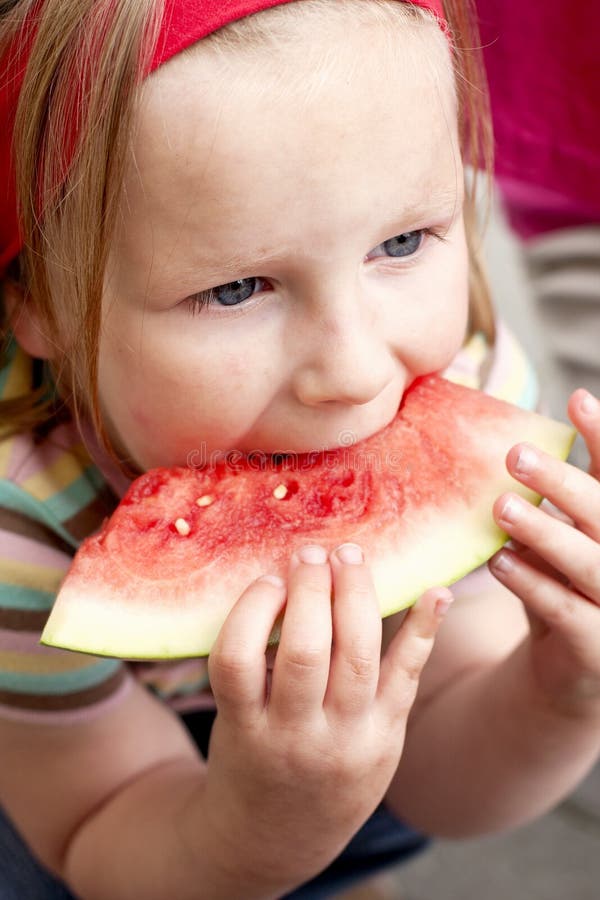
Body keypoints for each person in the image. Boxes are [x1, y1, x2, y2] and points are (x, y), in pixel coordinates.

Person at [0, 2, 599, 899]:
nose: (355, 374)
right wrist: (255, 833)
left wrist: (556, 696)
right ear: (37, 298)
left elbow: (446, 768)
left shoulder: (471, 374)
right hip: (92, 796)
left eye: (401, 241)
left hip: (387, 748)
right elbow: (95, 829)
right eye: (239, 288)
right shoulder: (24, 524)